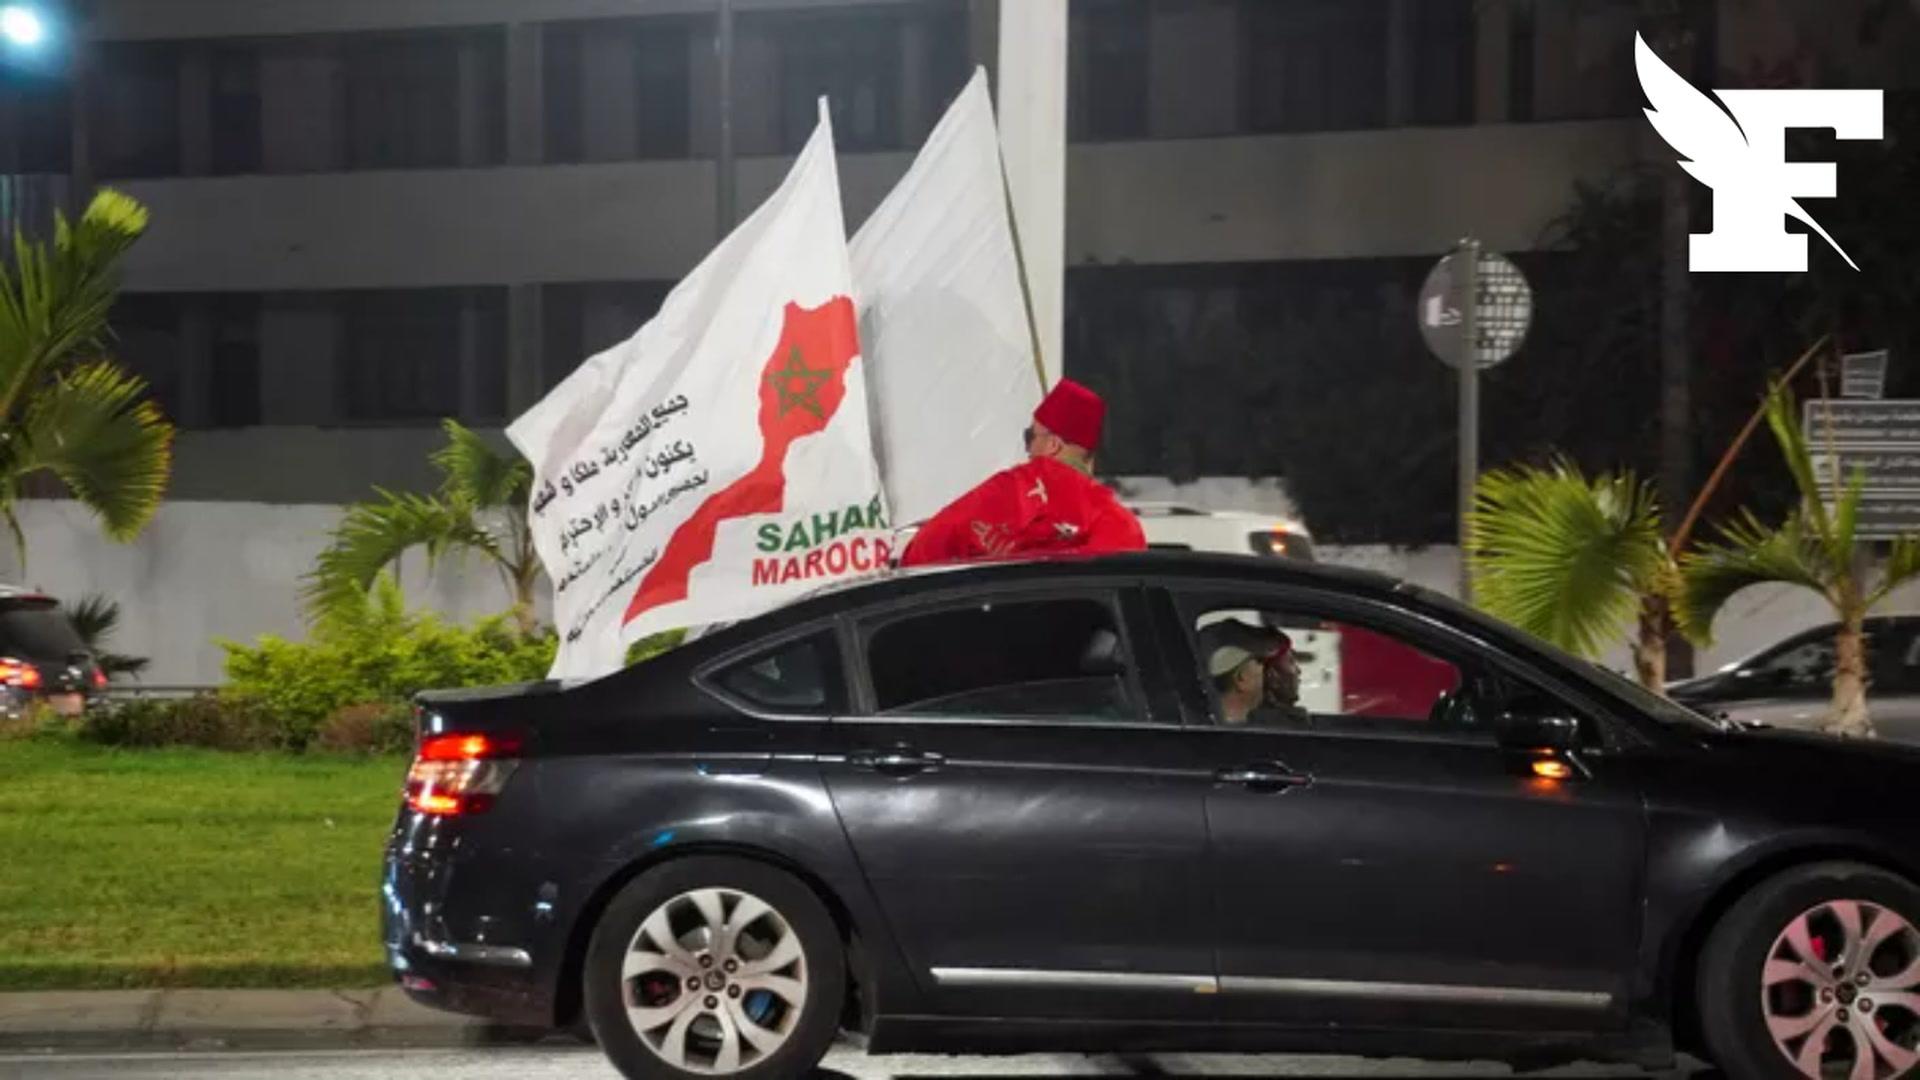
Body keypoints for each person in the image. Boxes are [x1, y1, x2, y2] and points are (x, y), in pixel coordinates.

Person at [900, 378, 1146, 567]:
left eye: (1030, 436)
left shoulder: (1005, 491)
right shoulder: (1121, 524)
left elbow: (922, 552)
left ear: (1053, 445)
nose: (1028, 449)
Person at [1202, 620, 1309, 726]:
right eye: (1261, 663)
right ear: (1241, 677)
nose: (1265, 674)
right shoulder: (1272, 731)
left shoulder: (1208, 724)